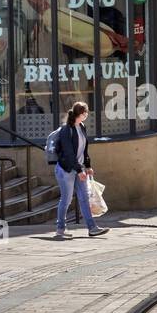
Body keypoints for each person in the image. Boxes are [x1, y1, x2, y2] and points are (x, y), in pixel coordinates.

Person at [52, 101, 109, 239]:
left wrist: (88, 166)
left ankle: (92, 228)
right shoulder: (67, 130)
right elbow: (69, 153)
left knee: (84, 198)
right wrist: (79, 170)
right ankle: (60, 229)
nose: (87, 115)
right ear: (81, 113)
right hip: (66, 170)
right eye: (86, 112)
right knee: (66, 200)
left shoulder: (81, 127)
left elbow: (84, 149)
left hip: (79, 169)